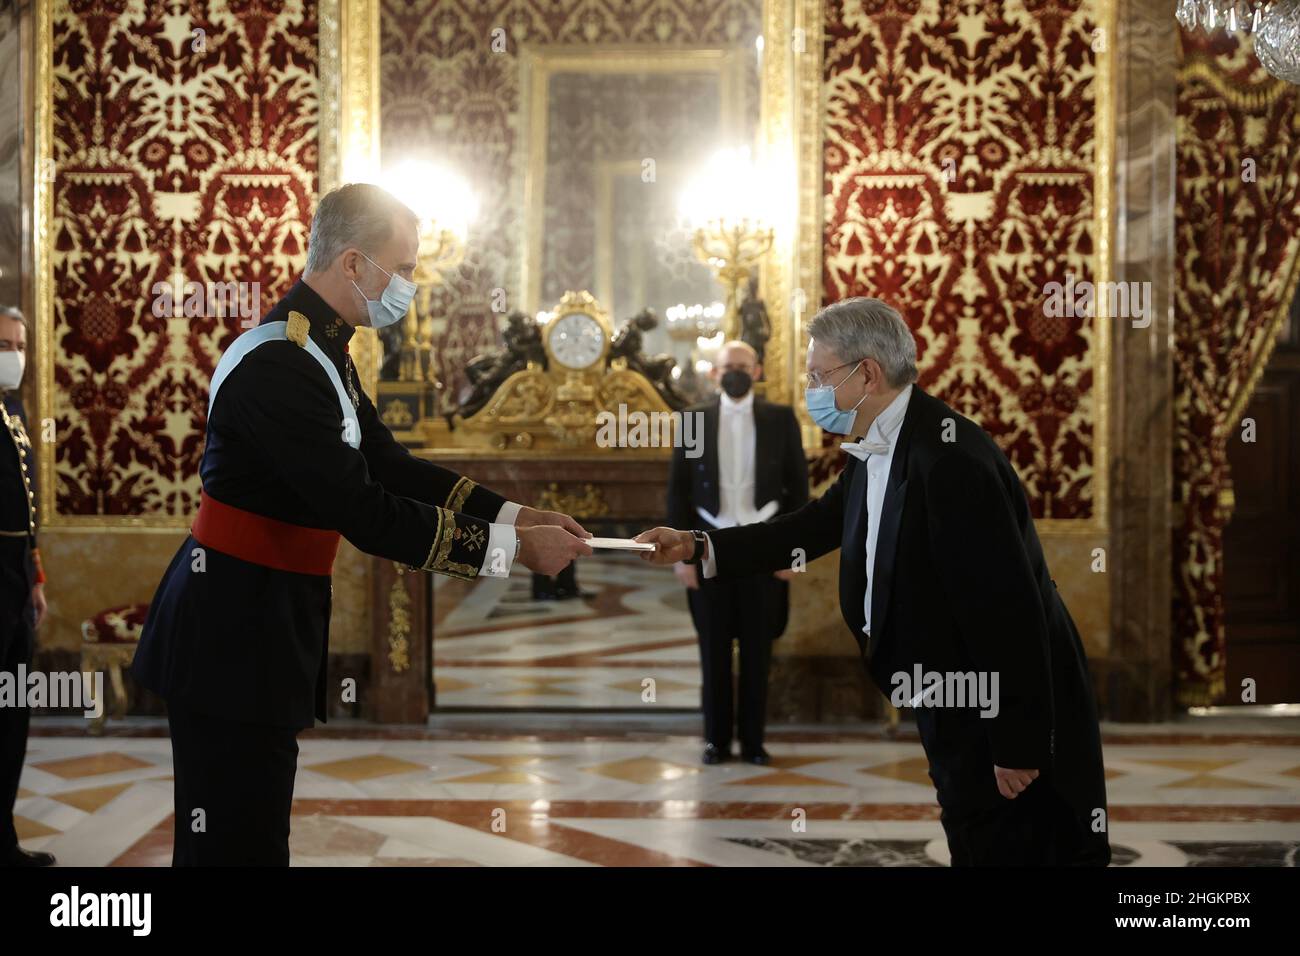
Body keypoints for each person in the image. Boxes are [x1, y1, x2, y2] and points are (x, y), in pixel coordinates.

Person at [131, 183, 592, 866]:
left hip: (266, 619)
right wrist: (511, 551)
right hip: (229, 628)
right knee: (233, 841)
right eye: (402, 268)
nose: (410, 285)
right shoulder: (281, 364)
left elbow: (389, 464)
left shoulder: (323, 352)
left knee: (255, 833)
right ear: (352, 264)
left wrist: (516, 513)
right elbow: (365, 513)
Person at [637, 297, 1110, 866]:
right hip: (948, 693)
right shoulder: (877, 442)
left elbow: (1007, 611)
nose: (812, 389)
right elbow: (813, 525)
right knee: (973, 834)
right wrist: (697, 543)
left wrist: (1017, 743)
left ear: (868, 373)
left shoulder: (949, 458)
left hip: (993, 707)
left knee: (1016, 848)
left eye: (819, 376)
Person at [669, 341, 807, 765]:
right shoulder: (693, 420)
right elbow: (679, 492)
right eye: (728, 366)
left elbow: (797, 489)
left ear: (758, 371)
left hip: (764, 547)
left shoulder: (781, 419)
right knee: (712, 648)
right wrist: (682, 557)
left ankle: (753, 742)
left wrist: (793, 553)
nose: (735, 372)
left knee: (757, 650)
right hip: (709, 546)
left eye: (743, 367)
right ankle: (715, 740)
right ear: (715, 373)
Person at [0, 307, 52, 867]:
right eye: (3, 344)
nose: (13, 354)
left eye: (18, 344)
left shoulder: (13, 410)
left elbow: (25, 505)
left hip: (15, 574)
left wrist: (35, 576)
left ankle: (4, 843)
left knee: (13, 710)